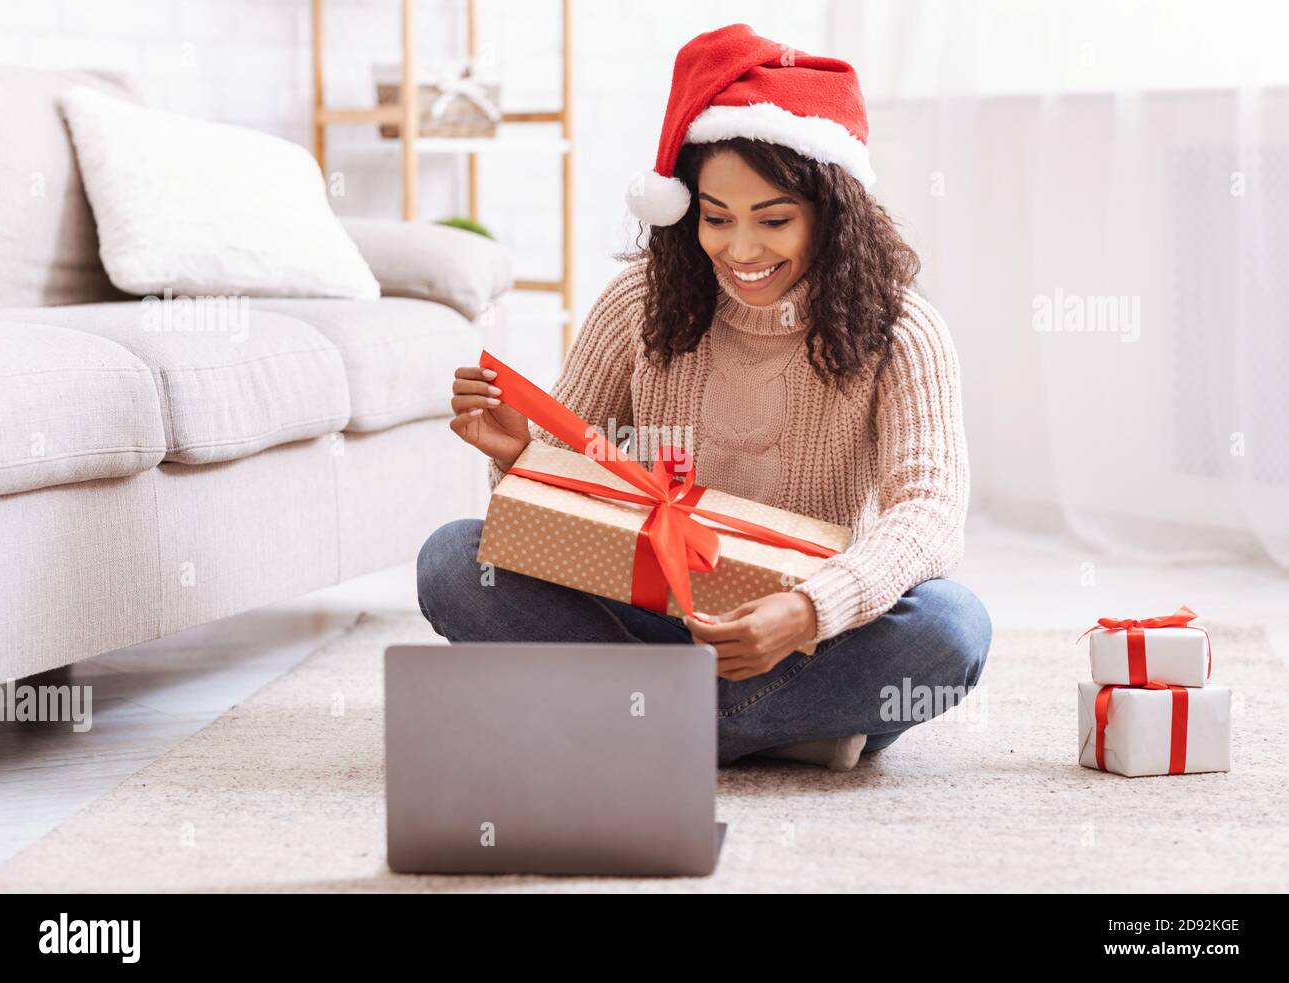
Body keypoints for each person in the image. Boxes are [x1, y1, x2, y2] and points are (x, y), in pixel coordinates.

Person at [417, 23, 990, 771]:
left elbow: (928, 514)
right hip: (645, 618)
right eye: (716, 218)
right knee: (453, 561)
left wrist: (807, 611)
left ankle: (640, 719)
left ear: (833, 211)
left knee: (951, 626)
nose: (741, 250)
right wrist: (521, 453)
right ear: (686, 208)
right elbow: (563, 503)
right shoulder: (639, 302)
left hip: (795, 635)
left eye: (774, 219)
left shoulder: (904, 329)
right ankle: (777, 733)